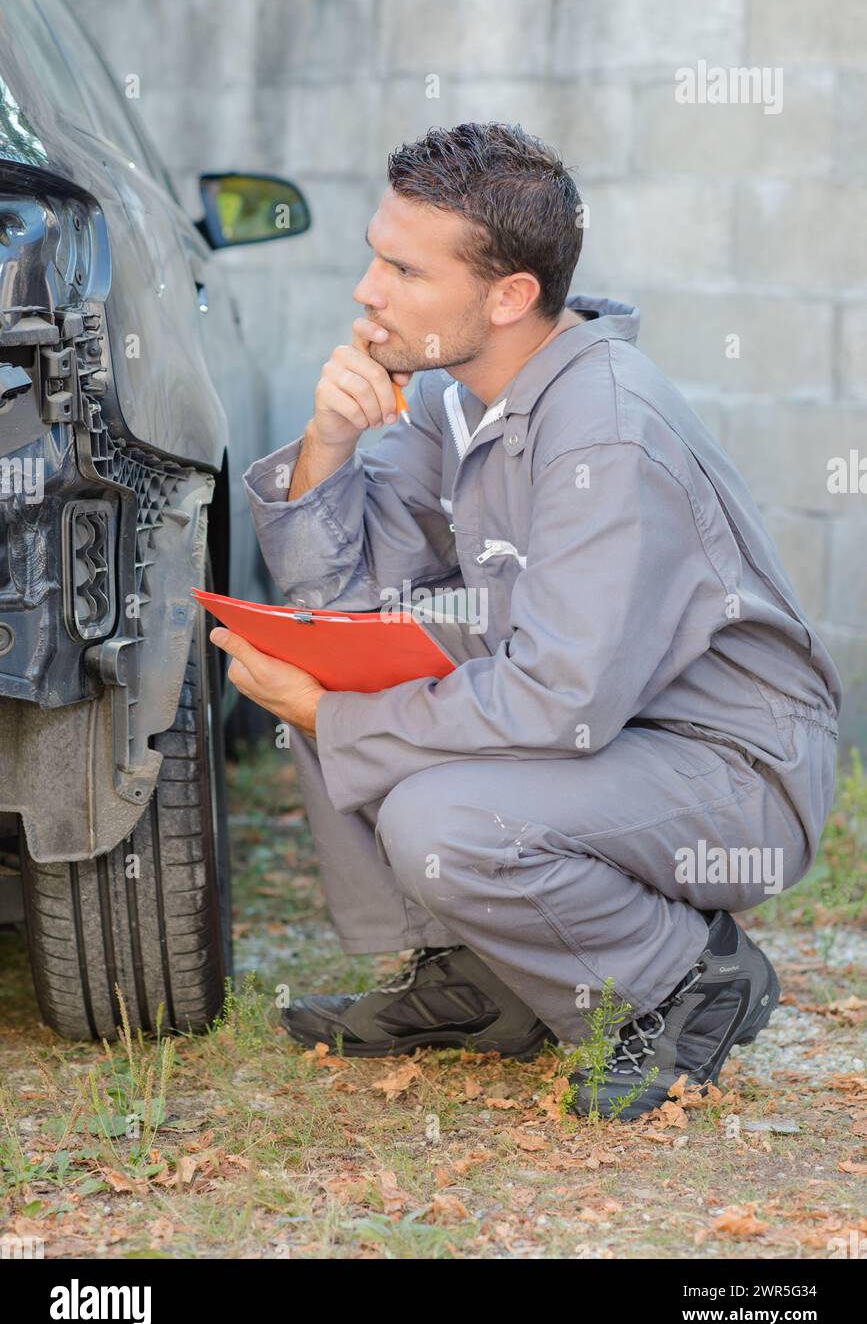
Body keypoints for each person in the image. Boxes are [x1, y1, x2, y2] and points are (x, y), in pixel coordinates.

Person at [211, 122, 842, 1120]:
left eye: (403, 269)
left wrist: (340, 723)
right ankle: (482, 978)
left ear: (506, 297)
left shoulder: (606, 427)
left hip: (731, 765)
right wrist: (328, 443)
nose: (367, 290)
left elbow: (562, 699)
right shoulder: (453, 402)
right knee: (334, 669)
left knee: (439, 821)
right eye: (376, 255)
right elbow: (341, 608)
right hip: (610, 729)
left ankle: (685, 978)